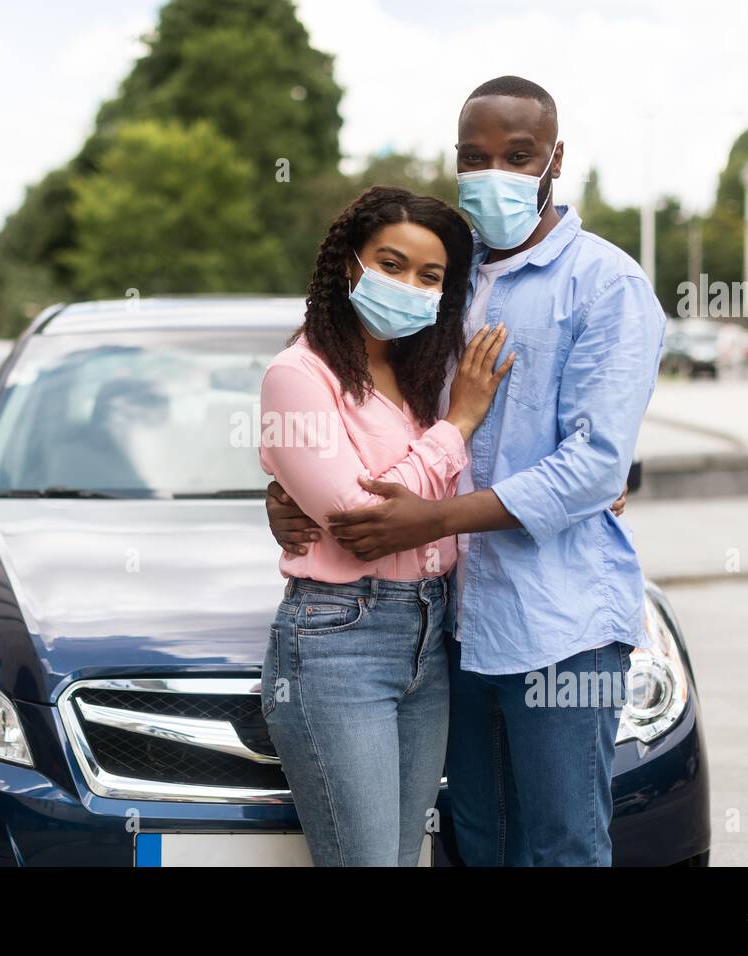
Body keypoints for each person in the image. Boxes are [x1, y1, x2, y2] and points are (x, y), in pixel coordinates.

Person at [265, 76, 666, 866]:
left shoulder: (606, 283)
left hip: (559, 628)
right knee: (474, 844)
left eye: (518, 156)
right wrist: (287, 487)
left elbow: (592, 465)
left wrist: (434, 519)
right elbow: (355, 408)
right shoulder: (443, 276)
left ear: (555, 159)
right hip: (451, 627)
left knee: (559, 847)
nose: (495, 173)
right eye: (475, 157)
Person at [258, 185, 512, 866]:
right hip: (340, 640)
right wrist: (458, 425)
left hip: (428, 638)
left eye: (430, 276)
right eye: (391, 265)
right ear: (350, 266)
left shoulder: (422, 375)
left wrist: (592, 489)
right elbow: (363, 522)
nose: (409, 286)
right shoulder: (299, 374)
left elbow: (478, 482)